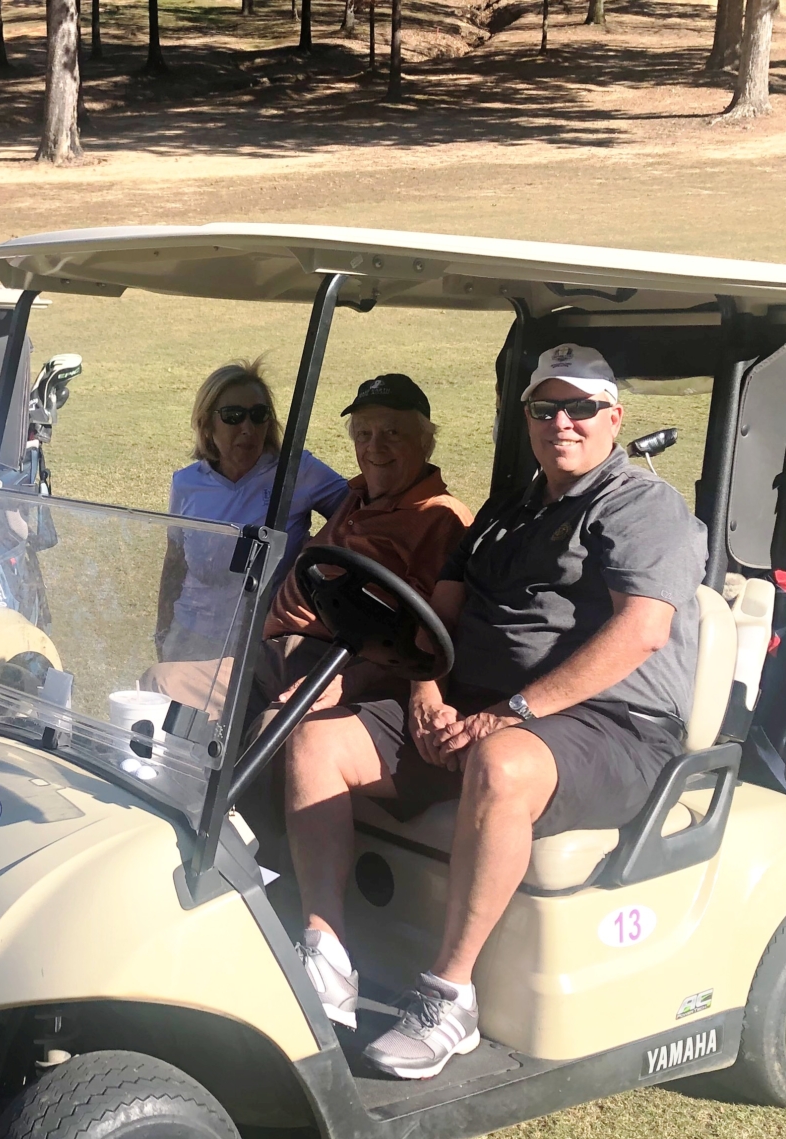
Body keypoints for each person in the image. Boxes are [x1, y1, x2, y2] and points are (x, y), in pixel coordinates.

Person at [284, 344, 707, 1079]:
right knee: (314, 742)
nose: (562, 423)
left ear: (614, 417)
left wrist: (512, 711)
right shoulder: (509, 510)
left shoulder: (640, 505)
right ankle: (327, 956)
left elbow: (643, 630)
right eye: (545, 409)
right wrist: (425, 692)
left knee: (501, 763)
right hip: (479, 708)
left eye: (580, 408)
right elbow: (437, 617)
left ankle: (450, 997)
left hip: (614, 727)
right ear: (528, 419)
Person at [143, 373, 472, 719]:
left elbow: (429, 636)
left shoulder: (439, 517)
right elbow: (175, 559)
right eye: (364, 434)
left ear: (425, 441)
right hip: (270, 652)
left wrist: (345, 680)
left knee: (271, 727)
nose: (375, 448)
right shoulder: (356, 497)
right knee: (158, 686)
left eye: (392, 433)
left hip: (334, 658)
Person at [156, 360, 348, 662]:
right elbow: (175, 562)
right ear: (207, 424)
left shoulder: (297, 471)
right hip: (191, 638)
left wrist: (314, 550)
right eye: (233, 416)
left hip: (264, 644)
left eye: (259, 415)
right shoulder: (186, 483)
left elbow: (359, 513)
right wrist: (162, 632)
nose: (248, 429)